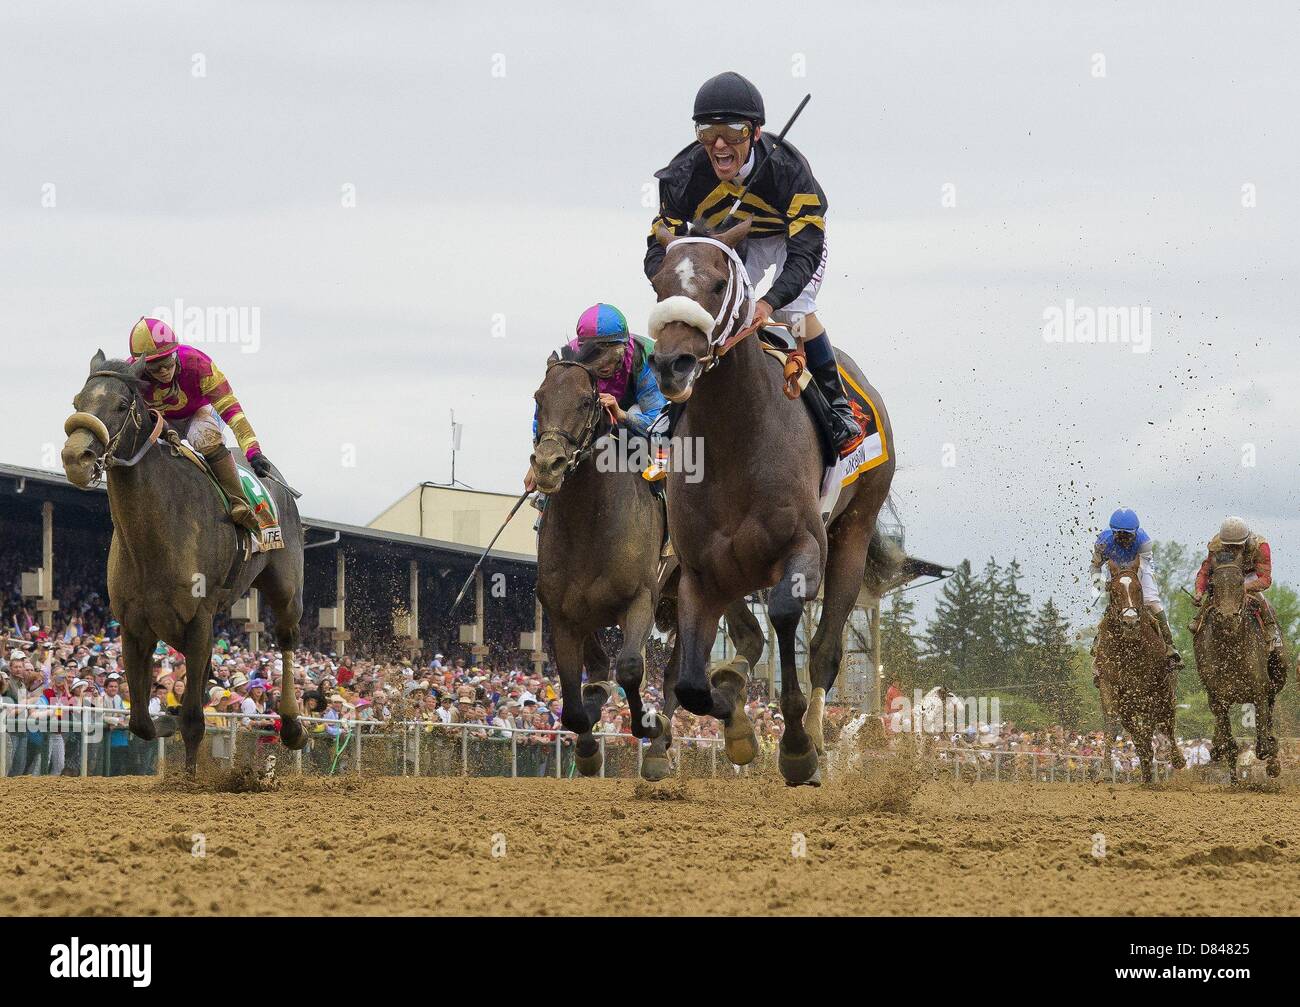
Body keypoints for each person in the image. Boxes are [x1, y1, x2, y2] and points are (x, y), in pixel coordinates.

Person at [643, 71, 863, 456]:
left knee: (794, 312)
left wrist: (768, 302)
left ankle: (838, 407)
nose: (720, 144)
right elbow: (657, 250)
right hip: (733, 242)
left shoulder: (789, 172)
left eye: (734, 132)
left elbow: (805, 252)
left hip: (791, 241)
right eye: (708, 133)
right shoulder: (682, 177)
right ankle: (672, 408)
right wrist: (674, 287)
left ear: (756, 132)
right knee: (704, 310)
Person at [127, 316, 274, 533]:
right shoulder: (131, 376)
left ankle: (239, 502)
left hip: (200, 412)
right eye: (155, 369)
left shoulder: (198, 364)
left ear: (176, 353)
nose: (164, 372)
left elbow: (233, 414)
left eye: (168, 364)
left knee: (204, 435)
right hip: (159, 420)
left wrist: (254, 452)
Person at [1090, 508, 1181, 672]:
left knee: (1152, 601)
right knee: (1115, 605)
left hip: (1139, 570)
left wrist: (1133, 587)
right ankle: (1098, 648)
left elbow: (1143, 569)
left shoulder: (1144, 542)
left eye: (1128, 535)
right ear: (1113, 532)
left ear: (1135, 532)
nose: (1125, 539)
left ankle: (1169, 646)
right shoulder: (1102, 542)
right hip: (1116, 571)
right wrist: (1100, 585)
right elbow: (1096, 566)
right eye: (1120, 535)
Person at [1194, 516, 1284, 670]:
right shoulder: (1216, 546)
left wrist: (1244, 587)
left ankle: (1271, 628)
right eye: (1228, 545)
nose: (1232, 549)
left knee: (1260, 598)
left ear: (1245, 541)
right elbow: (1204, 572)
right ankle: (1198, 621)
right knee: (1215, 595)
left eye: (1236, 546)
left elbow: (1265, 579)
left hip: (1249, 575)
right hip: (1225, 575)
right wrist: (1199, 592)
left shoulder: (1260, 546)